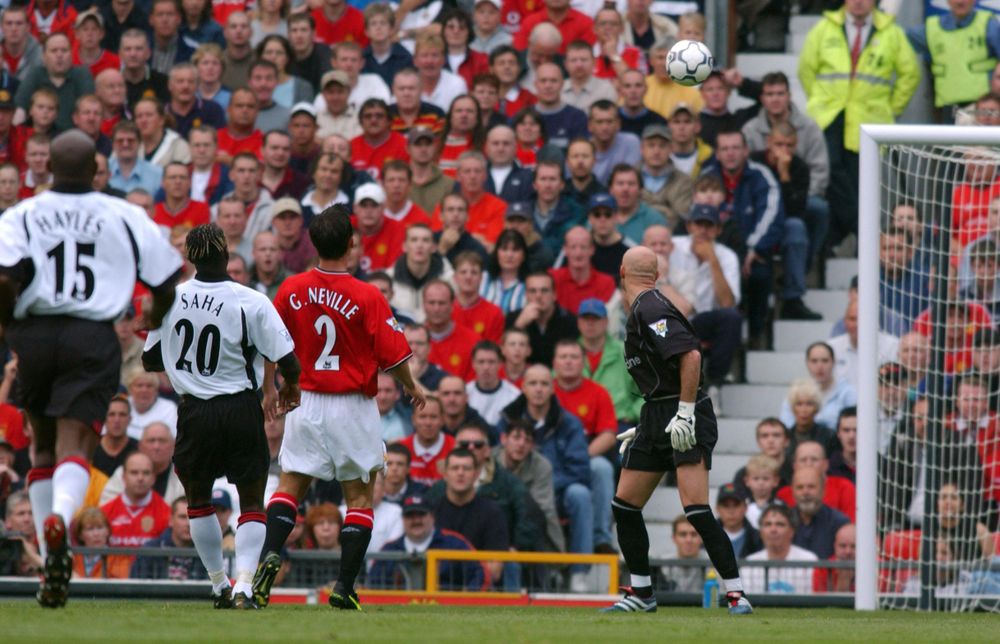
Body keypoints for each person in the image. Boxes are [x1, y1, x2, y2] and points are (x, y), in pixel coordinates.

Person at [0, 129, 180, 608]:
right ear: (95, 170)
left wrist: (5, 324)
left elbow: (3, 276)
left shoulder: (21, 214)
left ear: (49, 167)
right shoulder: (123, 214)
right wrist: (155, 318)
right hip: (92, 333)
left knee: (41, 446)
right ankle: (61, 519)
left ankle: (49, 565)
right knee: (76, 443)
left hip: (35, 332)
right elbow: (166, 280)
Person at [252, 204, 426, 612]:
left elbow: (271, 342)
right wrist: (411, 385)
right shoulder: (368, 294)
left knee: (289, 486)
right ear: (351, 244)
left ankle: (270, 555)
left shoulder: (291, 288)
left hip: (305, 400)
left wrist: (269, 389)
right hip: (352, 402)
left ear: (313, 243)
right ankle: (344, 586)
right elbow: (393, 354)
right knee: (360, 497)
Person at [141, 223, 300, 608]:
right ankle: (244, 584)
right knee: (251, 500)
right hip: (240, 408)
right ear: (227, 254)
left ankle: (218, 584)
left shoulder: (172, 299)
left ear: (189, 257)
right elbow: (289, 361)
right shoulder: (251, 300)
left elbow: (149, 360)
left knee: (198, 500)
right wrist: (287, 386)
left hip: (194, 410)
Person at [605, 246, 752, 614]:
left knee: (696, 508)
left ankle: (735, 593)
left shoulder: (650, 307)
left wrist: (684, 413)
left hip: (683, 410)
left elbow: (691, 355)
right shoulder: (645, 307)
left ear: (621, 272)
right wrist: (650, 421)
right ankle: (641, 593)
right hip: (656, 412)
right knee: (624, 505)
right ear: (655, 275)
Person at [798, 0, 919, 250]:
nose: (859, 2)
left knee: (856, 183)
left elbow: (910, 74)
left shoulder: (891, 33)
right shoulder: (823, 29)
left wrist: (892, 108)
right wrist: (821, 101)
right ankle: (864, 232)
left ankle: (834, 241)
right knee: (831, 170)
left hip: (868, 119)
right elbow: (805, 70)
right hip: (830, 116)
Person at [497, 365, 593, 591]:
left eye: (544, 384)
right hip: (513, 493)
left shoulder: (569, 422)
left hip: (559, 493)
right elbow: (496, 457)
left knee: (581, 495)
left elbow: (580, 470)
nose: (538, 389)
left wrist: (547, 482)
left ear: (552, 388)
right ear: (523, 388)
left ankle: (579, 572)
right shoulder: (507, 418)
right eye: (533, 383)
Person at [368, 494, 486, 591]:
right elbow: (372, 585)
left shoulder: (455, 544)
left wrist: (464, 600)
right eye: (410, 515)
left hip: (446, 609)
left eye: (421, 514)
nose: (416, 520)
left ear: (432, 517)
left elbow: (480, 574)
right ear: (402, 519)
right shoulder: (390, 549)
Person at [14, 33, 94, 133]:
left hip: (73, 137)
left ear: (71, 54)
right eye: (54, 50)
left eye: (64, 50)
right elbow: (20, 109)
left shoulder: (82, 74)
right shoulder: (35, 74)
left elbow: (89, 110)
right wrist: (17, 136)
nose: (59, 55)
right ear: (44, 56)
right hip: (40, 137)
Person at [100, 451, 172, 552]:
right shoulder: (105, 513)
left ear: (153, 478)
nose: (140, 478)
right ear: (123, 477)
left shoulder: (167, 514)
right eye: (134, 472)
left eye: (146, 473)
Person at [779, 342, 857, 432]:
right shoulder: (796, 393)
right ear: (807, 364)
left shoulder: (847, 392)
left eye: (825, 361)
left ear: (833, 363)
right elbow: (786, 427)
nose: (820, 366)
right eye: (814, 361)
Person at [506, 272, 579, 367]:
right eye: (533, 291)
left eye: (544, 291)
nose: (538, 296)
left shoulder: (569, 321)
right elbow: (503, 355)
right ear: (526, 295)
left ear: (554, 295)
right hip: (523, 373)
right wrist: (520, 325)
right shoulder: (513, 318)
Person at [743, 504, 818, 595]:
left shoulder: (809, 560)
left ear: (792, 531)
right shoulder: (749, 564)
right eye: (767, 524)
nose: (773, 530)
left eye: (780, 524)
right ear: (761, 532)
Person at [398, 396, 454, 486]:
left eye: (433, 417)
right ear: (413, 420)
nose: (428, 423)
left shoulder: (454, 447)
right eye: (422, 417)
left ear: (442, 420)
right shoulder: (401, 448)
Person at [532, 62, 587, 152]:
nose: (548, 86)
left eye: (553, 81)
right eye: (543, 81)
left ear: (562, 84)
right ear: (535, 84)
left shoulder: (577, 117)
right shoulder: (522, 118)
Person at [561, 41, 617, 113]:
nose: (579, 65)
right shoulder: (558, 89)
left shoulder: (606, 89)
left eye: (584, 60)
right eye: (573, 60)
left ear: (594, 62)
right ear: (566, 64)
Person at [92, 395, 138, 478]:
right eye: (111, 414)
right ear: (104, 418)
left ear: (130, 419)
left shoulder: (139, 449)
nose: (117, 420)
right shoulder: (91, 447)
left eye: (122, 415)